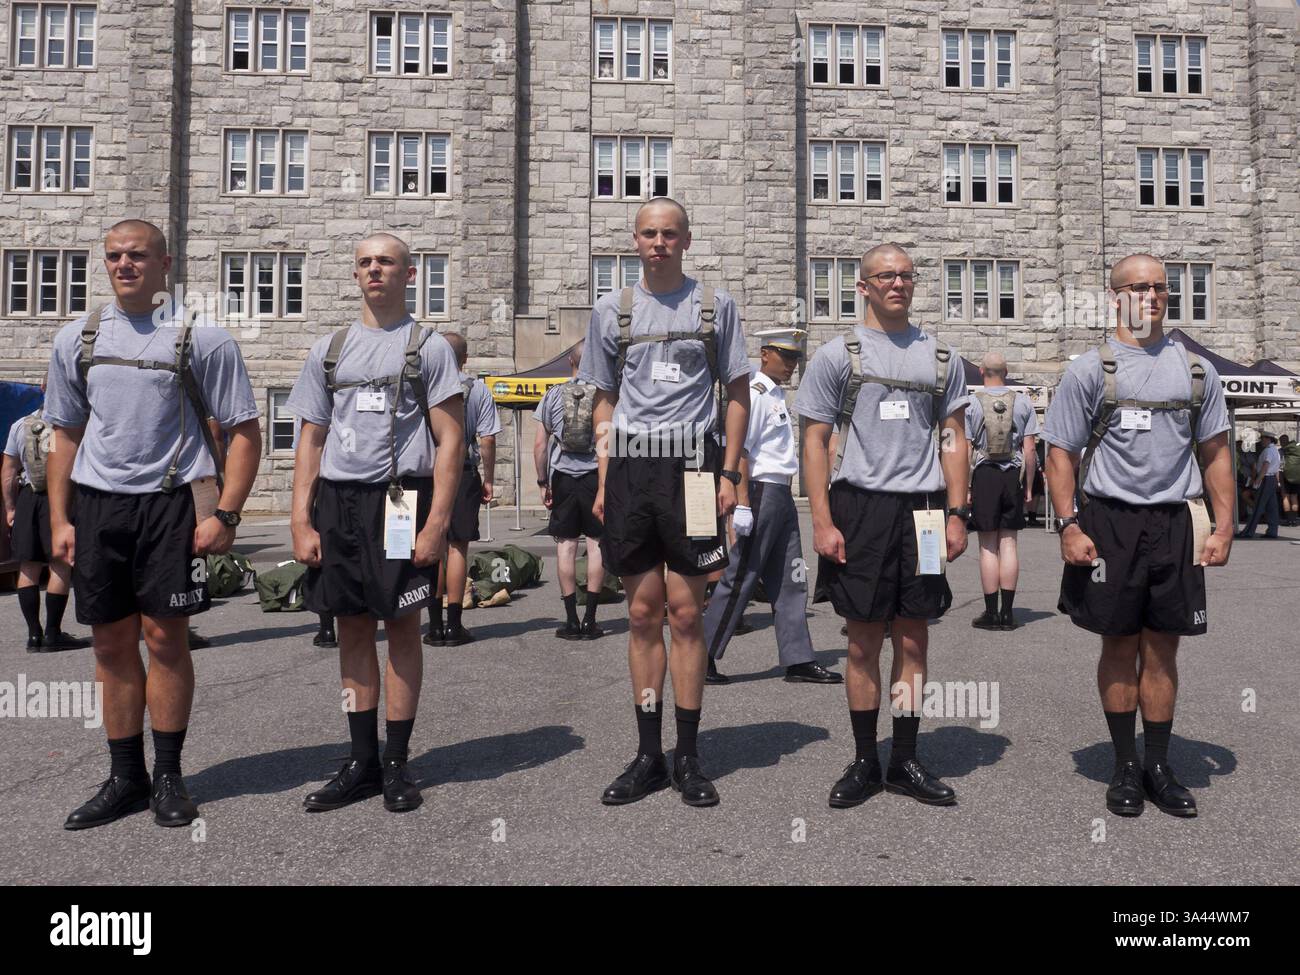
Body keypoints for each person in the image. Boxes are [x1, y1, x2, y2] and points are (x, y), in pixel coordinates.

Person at [45, 219, 261, 830]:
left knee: (166, 640)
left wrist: (226, 513)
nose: (124, 265)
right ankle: (124, 777)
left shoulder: (203, 338)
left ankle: (168, 774)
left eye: (137, 255)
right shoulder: (76, 340)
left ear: (165, 264)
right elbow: (64, 435)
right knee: (111, 644)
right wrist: (60, 518)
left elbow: (245, 432)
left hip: (169, 507)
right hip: (99, 505)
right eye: (113, 256)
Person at [1043, 253, 1233, 819]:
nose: (1153, 296)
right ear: (1115, 296)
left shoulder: (1197, 372)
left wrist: (1224, 526)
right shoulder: (1089, 370)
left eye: (1161, 288)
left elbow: (1216, 452)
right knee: (1119, 643)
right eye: (1140, 287)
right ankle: (1124, 765)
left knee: (1164, 647)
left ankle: (1158, 764)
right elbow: (1061, 452)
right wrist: (1068, 523)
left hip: (1174, 522)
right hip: (1109, 523)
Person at [580, 197, 751, 807]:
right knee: (642, 614)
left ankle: (690, 756)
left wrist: (729, 473)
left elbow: (736, 393)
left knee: (686, 614)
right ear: (634, 241)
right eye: (649, 233)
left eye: (670, 233)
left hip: (694, 469)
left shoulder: (715, 306)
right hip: (630, 466)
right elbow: (603, 398)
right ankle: (648, 755)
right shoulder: (611, 310)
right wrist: (603, 478)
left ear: (686, 239)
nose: (659, 242)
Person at [288, 232, 465, 814]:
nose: (374, 271)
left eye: (386, 262)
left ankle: (396, 763)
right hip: (338, 504)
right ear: (355, 274)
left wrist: (437, 521)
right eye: (364, 262)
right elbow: (309, 437)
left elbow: (450, 440)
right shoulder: (329, 349)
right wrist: (300, 519)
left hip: (399, 499)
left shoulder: (428, 347)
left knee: (404, 629)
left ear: (409, 274)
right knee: (352, 630)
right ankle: (361, 760)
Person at [796, 242, 970, 810]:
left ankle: (906, 759)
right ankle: (866, 759)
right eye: (884, 276)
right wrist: (821, 519)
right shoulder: (836, 356)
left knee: (914, 638)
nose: (897, 283)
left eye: (905, 275)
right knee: (864, 640)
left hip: (922, 510)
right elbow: (816, 441)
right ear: (862, 286)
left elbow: (953, 438)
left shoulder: (942, 358)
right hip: (860, 507)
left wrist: (957, 513)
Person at [703, 327, 841, 686]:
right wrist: (743, 503)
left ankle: (798, 658)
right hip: (761, 492)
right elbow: (742, 451)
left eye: (796, 357)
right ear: (765, 354)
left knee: (792, 577)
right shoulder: (755, 393)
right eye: (786, 356)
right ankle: (702, 653)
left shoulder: (775, 393)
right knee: (742, 576)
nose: (792, 364)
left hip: (781, 492)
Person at [424, 332, 500, 647]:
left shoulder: (425, 386)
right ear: (465, 358)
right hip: (464, 473)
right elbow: (488, 439)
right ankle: (455, 624)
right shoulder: (478, 389)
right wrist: (489, 478)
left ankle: (433, 624)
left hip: (428, 474)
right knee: (457, 547)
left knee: (431, 547)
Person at [2, 388, 90, 651]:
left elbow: (8, 472)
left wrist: (10, 508)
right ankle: (53, 633)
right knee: (59, 564)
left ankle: (33, 635)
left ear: (41, 389)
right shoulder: (74, 425)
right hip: (61, 496)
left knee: (28, 566)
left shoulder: (21, 425)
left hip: (30, 495)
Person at [533, 340, 606, 639]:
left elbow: (540, 444)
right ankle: (591, 618)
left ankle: (571, 619)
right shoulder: (603, 397)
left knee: (565, 546)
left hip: (563, 475)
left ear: (570, 363)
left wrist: (542, 481)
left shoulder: (552, 395)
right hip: (594, 476)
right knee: (596, 544)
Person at [966, 352, 1039, 630]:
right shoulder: (1022, 402)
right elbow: (1030, 450)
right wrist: (1029, 486)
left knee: (987, 545)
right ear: (1006, 372)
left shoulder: (972, 403)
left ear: (982, 371)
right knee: (1009, 543)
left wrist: (966, 487)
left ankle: (990, 613)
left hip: (984, 474)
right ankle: (1008, 613)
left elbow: (967, 450)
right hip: (1012, 476)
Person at [1237, 432, 1281, 539]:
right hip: (1271, 479)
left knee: (1258, 506)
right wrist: (1278, 481)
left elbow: (1266, 466)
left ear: (1268, 439)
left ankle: (1248, 532)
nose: (1261, 441)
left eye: (1263, 438)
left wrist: (1258, 479)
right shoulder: (1275, 450)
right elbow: (1276, 469)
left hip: (1265, 478)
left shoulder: (1268, 451)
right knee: (1272, 507)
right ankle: (1272, 531)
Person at [1280, 434, 1300, 528]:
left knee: (1285, 497)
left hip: (1286, 476)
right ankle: (1294, 520)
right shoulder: (1296, 451)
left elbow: (1280, 466)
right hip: (1296, 476)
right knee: (1294, 497)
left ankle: (1288, 520)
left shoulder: (1282, 452)